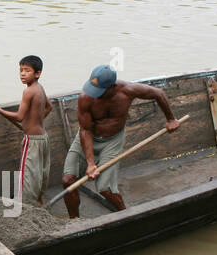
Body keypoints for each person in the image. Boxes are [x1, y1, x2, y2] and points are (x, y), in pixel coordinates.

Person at [62, 65, 180, 218]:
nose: (95, 95)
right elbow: (85, 130)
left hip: (112, 141)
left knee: (105, 188)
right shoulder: (86, 97)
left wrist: (171, 119)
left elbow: (159, 93)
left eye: (100, 91)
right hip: (87, 136)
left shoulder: (128, 90)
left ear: (112, 87)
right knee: (68, 180)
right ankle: (74, 222)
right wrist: (91, 163)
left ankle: (125, 215)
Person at [0, 55, 53, 206]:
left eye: (27, 70)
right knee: (40, 174)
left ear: (37, 73)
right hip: (43, 138)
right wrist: (36, 121)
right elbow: (49, 107)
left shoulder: (28, 91)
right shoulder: (40, 88)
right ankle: (40, 201)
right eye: (21, 70)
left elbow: (20, 117)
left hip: (32, 141)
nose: (22, 73)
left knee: (26, 178)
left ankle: (25, 206)